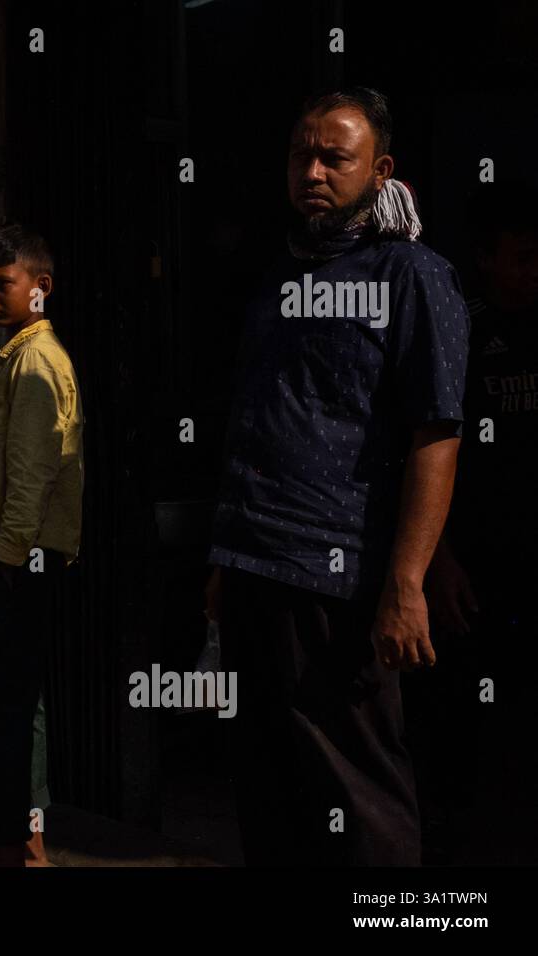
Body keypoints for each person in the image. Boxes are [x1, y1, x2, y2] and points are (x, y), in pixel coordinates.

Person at [204, 87, 469, 865]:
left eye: (333, 158)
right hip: (256, 564)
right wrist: (226, 559)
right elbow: (257, 417)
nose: (312, 171)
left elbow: (437, 435)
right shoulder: (283, 273)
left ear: (379, 170)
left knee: (358, 794)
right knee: (269, 785)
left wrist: (408, 582)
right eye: (300, 156)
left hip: (339, 578)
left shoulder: (412, 275)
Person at [0, 224, 83, 866]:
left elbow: (30, 478)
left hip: (13, 565)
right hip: (13, 562)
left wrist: (0, 564)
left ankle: (15, 846)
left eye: (4, 285)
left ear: (41, 288)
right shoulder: (22, 355)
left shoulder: (35, 360)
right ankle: (24, 842)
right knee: (17, 711)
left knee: (4, 716)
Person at [416, 184, 538, 861]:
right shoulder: (463, 333)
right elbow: (429, 449)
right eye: (520, 257)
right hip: (475, 573)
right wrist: (440, 560)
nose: (533, 271)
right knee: (467, 728)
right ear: (487, 261)